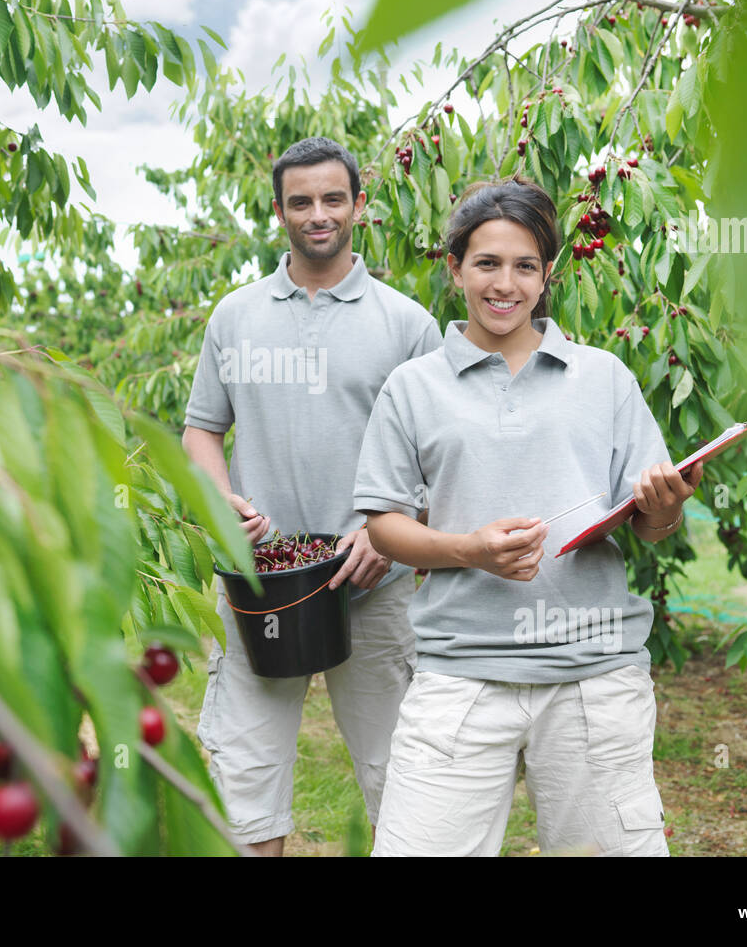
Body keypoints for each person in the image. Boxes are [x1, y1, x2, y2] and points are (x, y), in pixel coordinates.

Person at [353, 176, 702, 857]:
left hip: (592, 676)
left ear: (548, 275)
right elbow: (383, 526)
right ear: (454, 268)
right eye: (486, 263)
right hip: (460, 674)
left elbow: (652, 526)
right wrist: (470, 550)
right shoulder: (413, 386)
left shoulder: (603, 378)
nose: (504, 283)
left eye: (524, 266)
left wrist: (663, 509)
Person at [182, 136, 442, 855]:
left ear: (359, 205)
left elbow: (441, 455)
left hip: (374, 583)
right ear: (279, 212)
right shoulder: (235, 317)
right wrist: (221, 498)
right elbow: (202, 431)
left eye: (333, 198)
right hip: (261, 582)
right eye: (301, 202)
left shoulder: (406, 323)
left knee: (403, 781)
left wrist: (393, 527)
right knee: (247, 782)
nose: (317, 213)